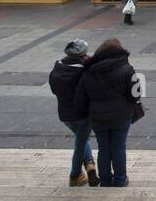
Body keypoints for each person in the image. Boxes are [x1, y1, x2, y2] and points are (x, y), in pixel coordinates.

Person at [73, 38, 140, 187]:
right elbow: (136, 94)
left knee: (103, 148)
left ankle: (105, 180)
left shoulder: (89, 71)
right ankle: (121, 180)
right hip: (121, 116)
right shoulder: (127, 69)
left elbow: (80, 98)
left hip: (98, 118)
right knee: (119, 147)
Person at [48, 39, 98, 188]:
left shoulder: (58, 67)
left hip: (64, 114)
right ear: (83, 55)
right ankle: (75, 175)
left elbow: (54, 89)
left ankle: (89, 164)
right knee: (80, 144)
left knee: (81, 139)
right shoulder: (84, 71)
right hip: (82, 114)